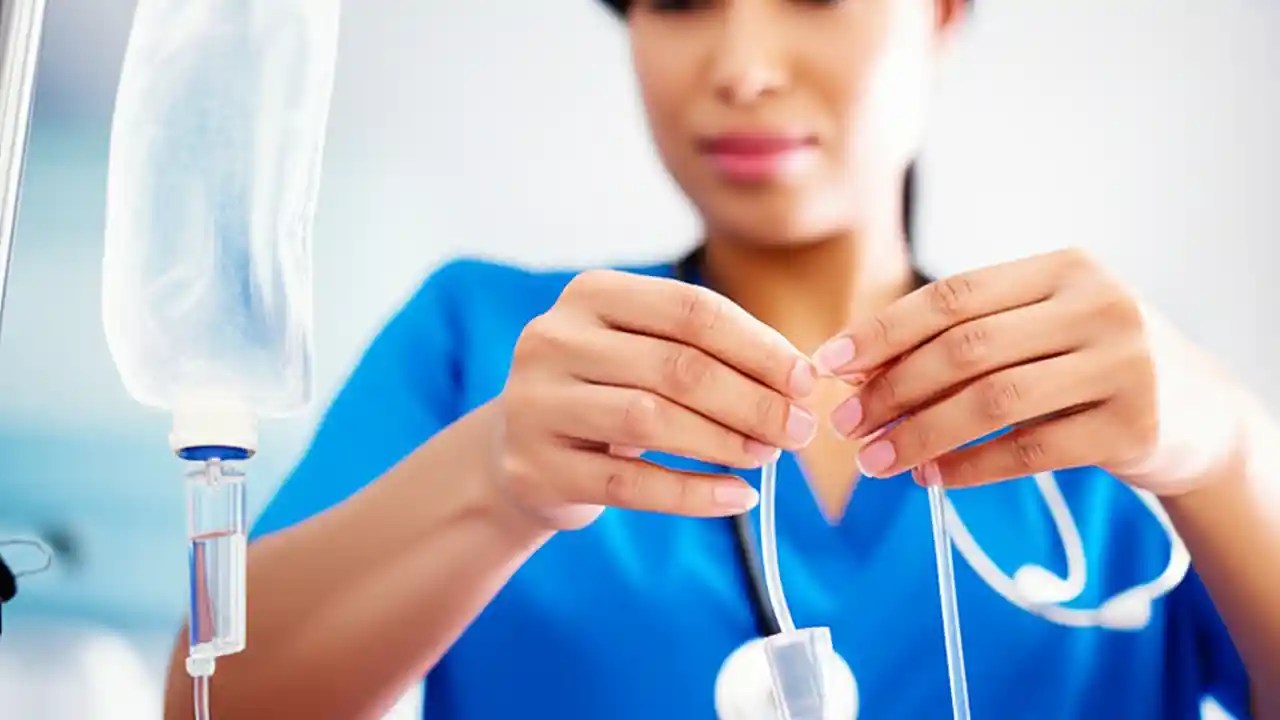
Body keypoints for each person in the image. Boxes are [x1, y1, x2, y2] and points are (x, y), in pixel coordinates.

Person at [162, 1, 1280, 718]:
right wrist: (495, 477)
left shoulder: (1124, 406)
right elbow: (211, 706)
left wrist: (1230, 454)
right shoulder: (483, 348)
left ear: (941, 13)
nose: (741, 67)